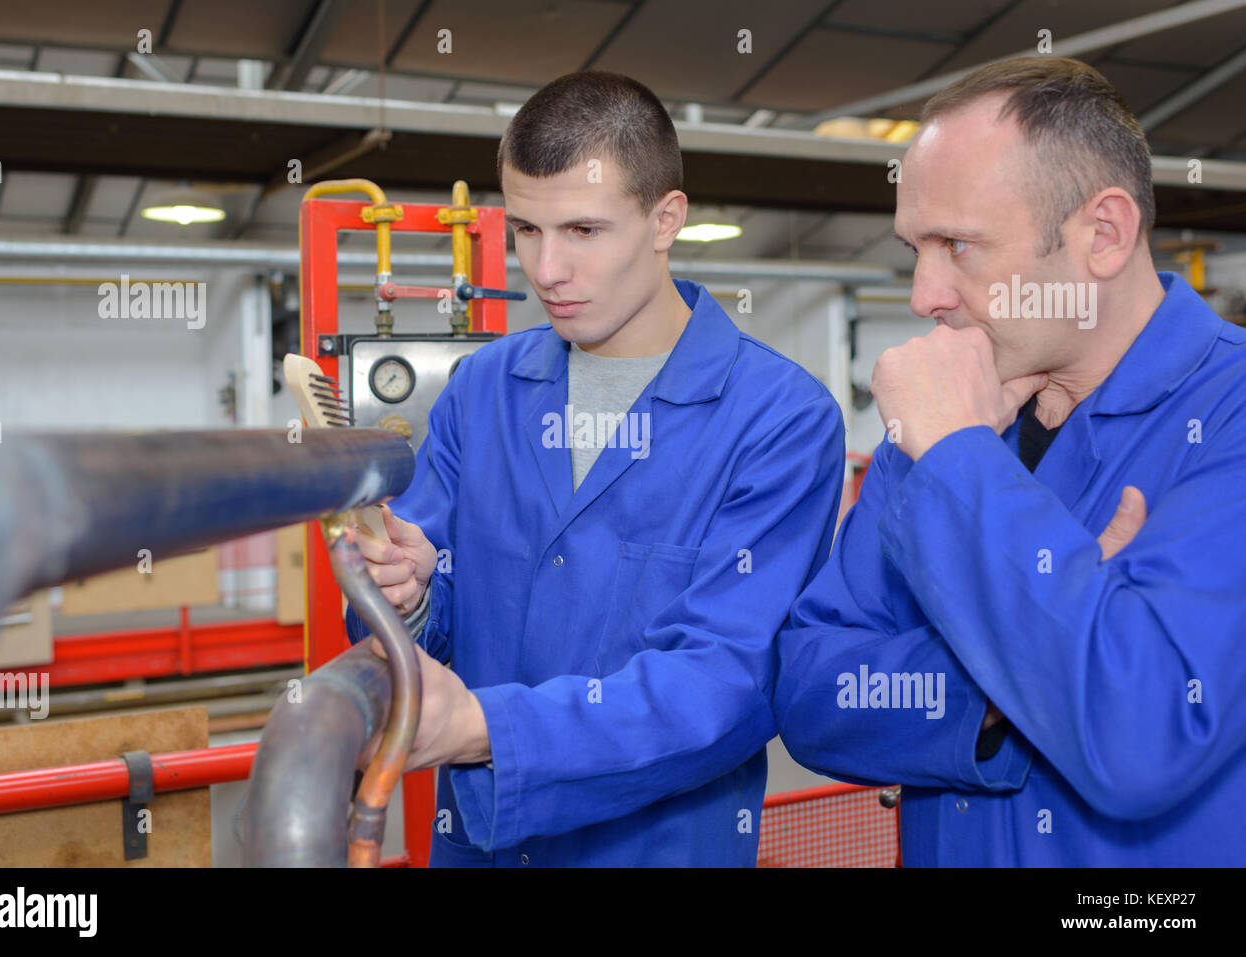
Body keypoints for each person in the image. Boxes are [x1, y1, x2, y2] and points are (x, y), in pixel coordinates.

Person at [344, 70, 846, 866]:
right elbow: (428, 606)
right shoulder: (483, 392)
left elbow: (725, 683)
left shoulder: (778, 420)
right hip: (479, 846)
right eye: (527, 231)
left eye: (583, 230)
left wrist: (483, 728)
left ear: (664, 219)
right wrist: (403, 595)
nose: (546, 271)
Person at [773, 56, 1246, 865]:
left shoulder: (1226, 414)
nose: (924, 295)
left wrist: (960, 462)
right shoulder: (939, 418)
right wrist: (1024, 658)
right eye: (915, 247)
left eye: (958, 244)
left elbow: (1140, 726)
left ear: (1102, 236)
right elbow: (810, 691)